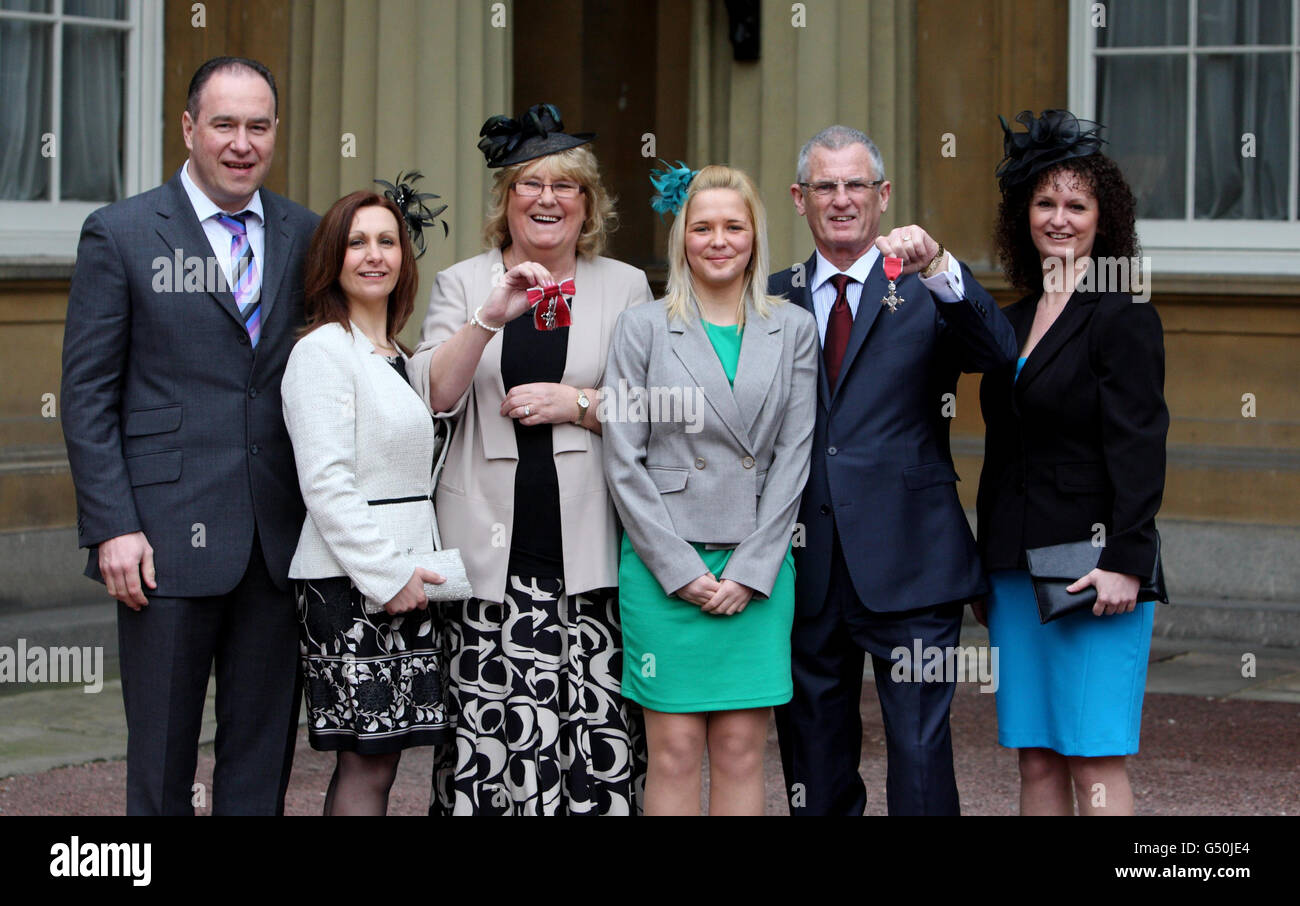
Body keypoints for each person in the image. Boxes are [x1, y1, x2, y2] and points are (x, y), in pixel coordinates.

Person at [59, 56, 319, 815]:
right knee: (163, 761)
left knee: (262, 757)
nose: (242, 143)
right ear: (189, 128)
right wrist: (113, 527)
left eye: (258, 126)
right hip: (161, 545)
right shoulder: (123, 232)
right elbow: (86, 394)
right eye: (225, 124)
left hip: (277, 541)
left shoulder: (305, 232)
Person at [406, 103, 652, 815]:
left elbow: (654, 410)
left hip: (590, 560)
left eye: (566, 186)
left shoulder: (626, 287)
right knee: (490, 755)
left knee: (591, 757)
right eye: (530, 184)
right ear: (506, 201)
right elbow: (435, 397)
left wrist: (575, 404)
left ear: (588, 204)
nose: (548, 198)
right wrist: (490, 317)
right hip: (488, 559)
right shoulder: (461, 282)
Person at [769, 125, 1018, 816]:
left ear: (882, 197)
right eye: (826, 186)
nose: (841, 199)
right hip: (806, 563)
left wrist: (939, 263)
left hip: (915, 560)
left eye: (856, 185)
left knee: (919, 757)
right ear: (800, 198)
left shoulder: (926, 287)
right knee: (813, 760)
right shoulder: (772, 295)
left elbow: (998, 354)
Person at [603, 164, 817, 815]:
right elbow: (623, 458)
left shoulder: (793, 328)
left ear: (755, 235)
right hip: (665, 567)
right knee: (671, 753)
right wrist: (677, 569)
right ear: (682, 237)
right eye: (702, 227)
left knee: (741, 752)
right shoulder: (641, 327)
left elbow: (793, 459)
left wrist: (753, 571)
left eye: (733, 225)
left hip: (757, 569)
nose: (717, 240)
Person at [975, 109, 1168, 816]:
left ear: (1102, 219)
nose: (1059, 218)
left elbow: (1140, 446)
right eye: (1045, 202)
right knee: (1036, 757)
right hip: (1012, 566)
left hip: (1092, 565)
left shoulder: (1122, 314)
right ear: (1024, 213)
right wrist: (983, 563)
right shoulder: (1013, 320)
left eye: (1076, 205)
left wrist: (1126, 558)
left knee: (1093, 756)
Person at [281, 189, 451, 815]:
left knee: (384, 759)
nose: (374, 255)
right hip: (351, 582)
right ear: (333, 258)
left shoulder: (398, 355)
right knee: (367, 760)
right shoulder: (321, 352)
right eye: (357, 242)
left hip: (404, 574)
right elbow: (325, 483)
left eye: (387, 242)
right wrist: (388, 574)